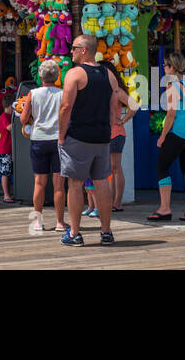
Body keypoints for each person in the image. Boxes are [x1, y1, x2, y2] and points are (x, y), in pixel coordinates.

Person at [58, 35, 121, 247]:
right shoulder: (109, 75)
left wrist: (60, 135)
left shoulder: (74, 74)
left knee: (75, 184)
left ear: (84, 50)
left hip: (78, 136)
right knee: (102, 182)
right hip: (102, 137)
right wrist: (110, 128)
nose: (71, 51)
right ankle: (106, 232)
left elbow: (65, 107)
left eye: (74, 48)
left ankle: (74, 233)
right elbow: (115, 107)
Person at [150, 51, 185, 222]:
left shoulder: (173, 86)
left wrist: (162, 137)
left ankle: (165, 208)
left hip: (176, 133)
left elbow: (170, 115)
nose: (163, 68)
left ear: (171, 67)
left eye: (165, 65)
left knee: (162, 167)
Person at [19, 59, 65, 231]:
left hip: (38, 140)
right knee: (59, 184)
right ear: (57, 75)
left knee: (39, 182)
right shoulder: (62, 94)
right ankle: (60, 222)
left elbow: (23, 119)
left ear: (40, 76)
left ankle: (38, 222)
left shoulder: (33, 93)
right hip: (58, 140)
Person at [104, 58, 137, 212]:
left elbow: (134, 106)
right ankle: (111, 202)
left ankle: (117, 202)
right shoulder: (104, 89)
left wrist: (122, 120)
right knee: (110, 168)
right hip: (104, 133)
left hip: (116, 133)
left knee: (115, 168)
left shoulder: (116, 91)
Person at [0, 94, 15, 203]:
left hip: (12, 148)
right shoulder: (4, 116)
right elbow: (9, 127)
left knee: (9, 172)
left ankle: (11, 193)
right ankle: (6, 195)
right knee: (5, 172)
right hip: (5, 148)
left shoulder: (11, 116)